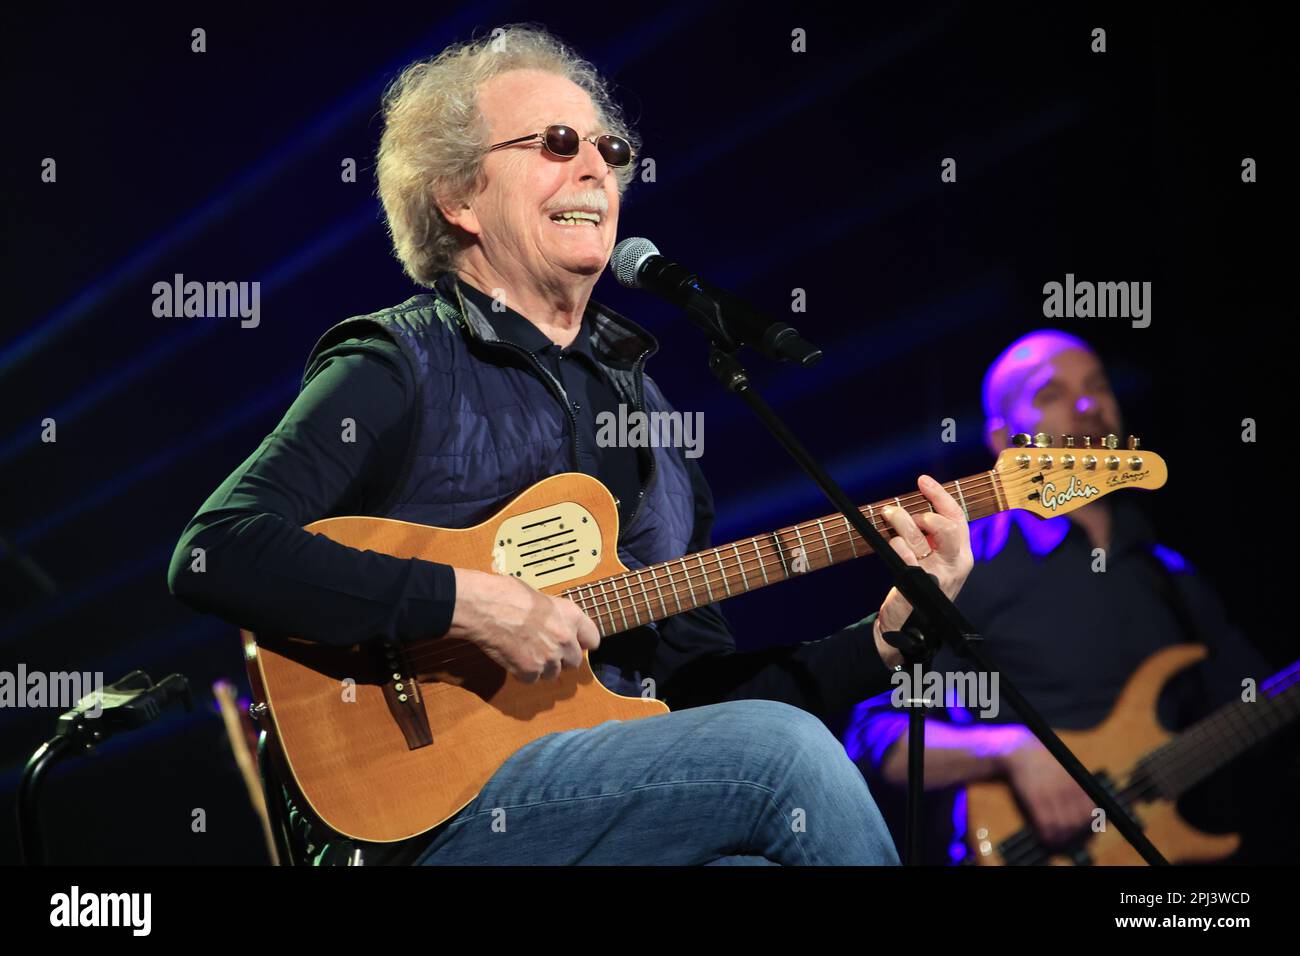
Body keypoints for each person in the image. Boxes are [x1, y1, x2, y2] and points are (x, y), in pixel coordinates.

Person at [166, 24, 975, 865]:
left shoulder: (649, 415)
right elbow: (217, 551)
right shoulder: (400, 362)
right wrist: (471, 605)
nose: (596, 167)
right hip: (430, 823)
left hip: (604, 805)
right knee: (785, 756)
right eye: (556, 144)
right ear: (459, 197)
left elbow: (700, 703)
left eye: (609, 148)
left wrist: (883, 638)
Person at [844, 329, 1279, 864]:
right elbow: (874, 734)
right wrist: (1011, 753)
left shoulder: (1171, 575)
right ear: (1005, 441)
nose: (1086, 404)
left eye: (1099, 386)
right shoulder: (965, 566)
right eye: (1051, 393)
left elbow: (1256, 713)